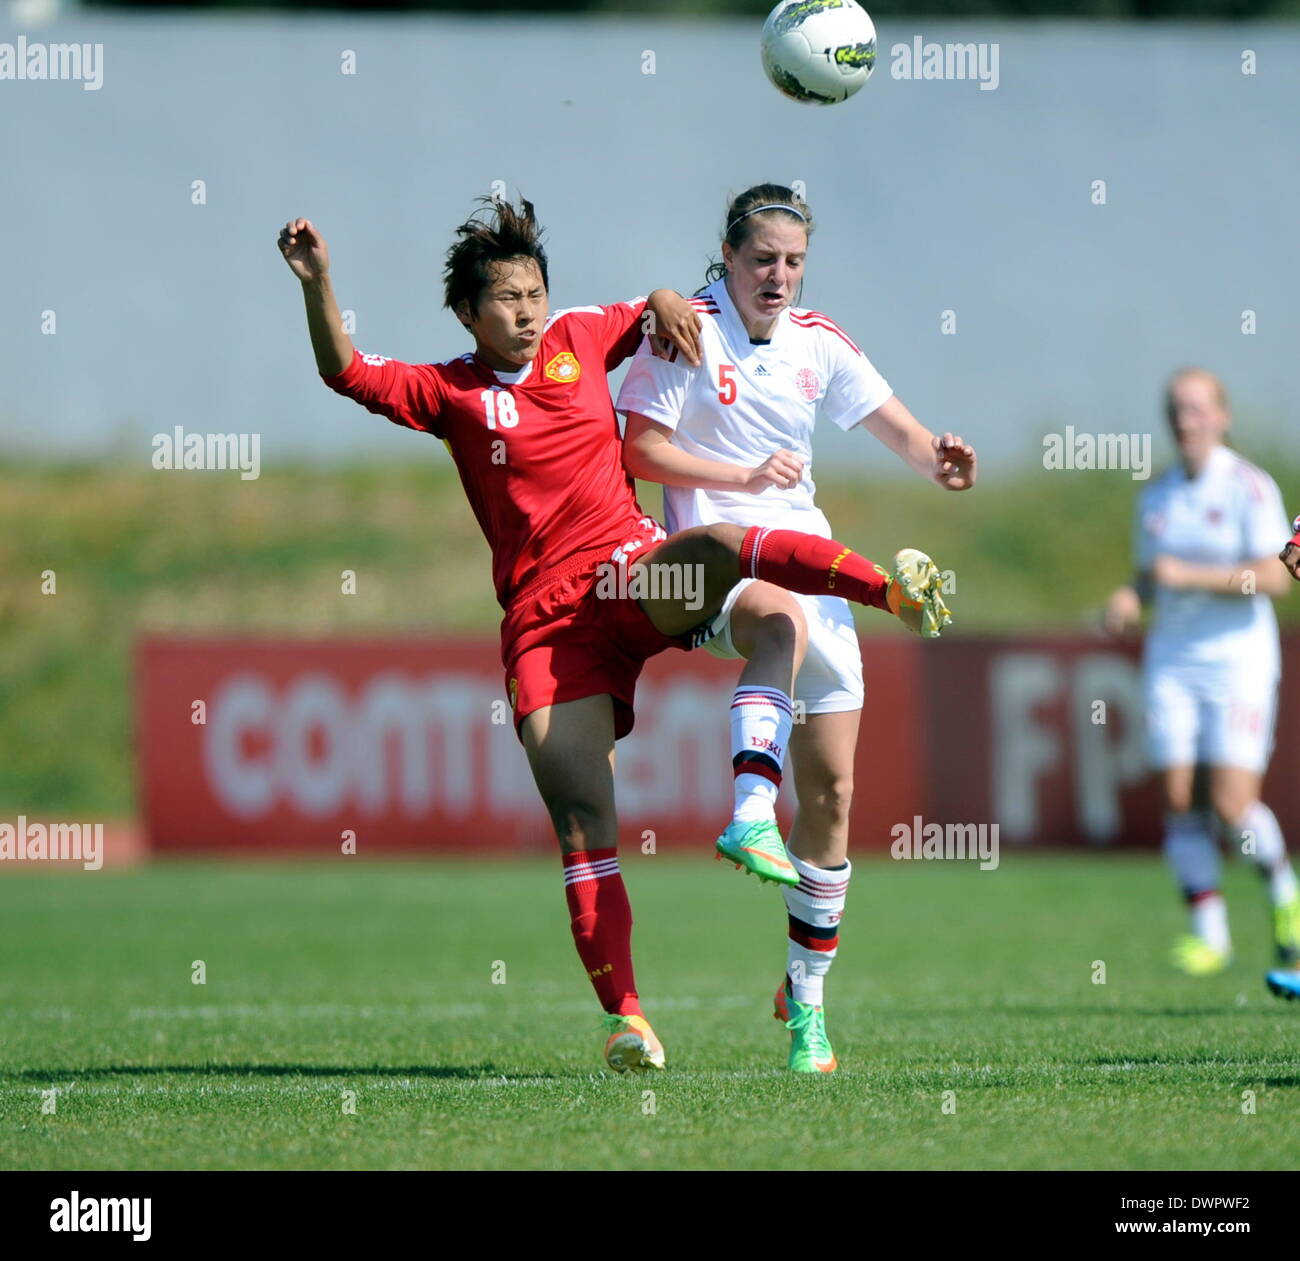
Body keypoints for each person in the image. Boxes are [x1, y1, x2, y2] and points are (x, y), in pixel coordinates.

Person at [279, 197, 951, 1071]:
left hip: (630, 577)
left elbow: (659, 306)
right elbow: (347, 370)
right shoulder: (449, 392)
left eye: (535, 293)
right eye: (507, 300)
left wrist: (668, 295)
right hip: (545, 631)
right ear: (467, 314)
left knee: (716, 550)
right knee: (584, 823)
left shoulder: (579, 337)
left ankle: (885, 592)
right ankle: (628, 1018)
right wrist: (321, 283)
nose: (526, 313)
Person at [616, 184, 975, 1073]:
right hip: (715, 557)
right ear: (729, 256)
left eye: (793, 262)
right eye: (762, 259)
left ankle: (806, 1006)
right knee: (774, 619)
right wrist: (737, 468)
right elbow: (639, 446)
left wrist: (941, 459)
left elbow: (894, 425)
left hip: (812, 562)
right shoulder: (687, 330)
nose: (778, 276)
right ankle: (746, 811)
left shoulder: (819, 341)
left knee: (836, 800)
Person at [1103, 368, 1296, 996]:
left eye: (1197, 409)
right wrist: (1132, 597)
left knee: (1231, 805)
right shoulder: (1155, 498)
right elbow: (1150, 576)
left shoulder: (1248, 486)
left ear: (1222, 415)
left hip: (1238, 659)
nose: (1186, 421)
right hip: (1172, 661)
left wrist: (1186, 574)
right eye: (1176, 411)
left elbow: (1276, 575)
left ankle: (1282, 891)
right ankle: (1211, 934)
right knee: (1180, 797)